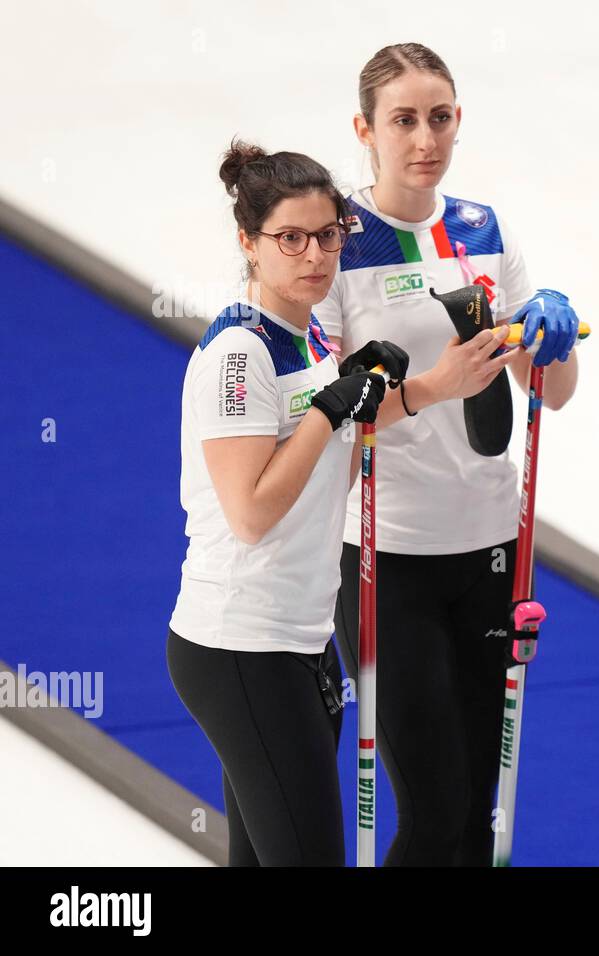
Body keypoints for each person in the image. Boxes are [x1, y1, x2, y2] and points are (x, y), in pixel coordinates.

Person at [315, 43, 582, 866]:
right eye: (403, 120)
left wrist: (554, 331)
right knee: (431, 815)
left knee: (480, 816)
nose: (424, 138)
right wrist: (432, 383)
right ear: (365, 129)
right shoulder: (337, 245)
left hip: (493, 550)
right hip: (386, 557)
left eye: (439, 118)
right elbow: (328, 419)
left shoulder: (481, 230)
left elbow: (555, 390)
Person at [167, 140, 417, 866]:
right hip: (241, 645)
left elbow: (330, 442)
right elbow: (250, 514)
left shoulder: (304, 333)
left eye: (328, 235)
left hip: (301, 640)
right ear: (249, 242)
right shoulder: (239, 354)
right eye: (291, 238)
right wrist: (329, 409)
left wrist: (435, 385)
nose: (314, 255)